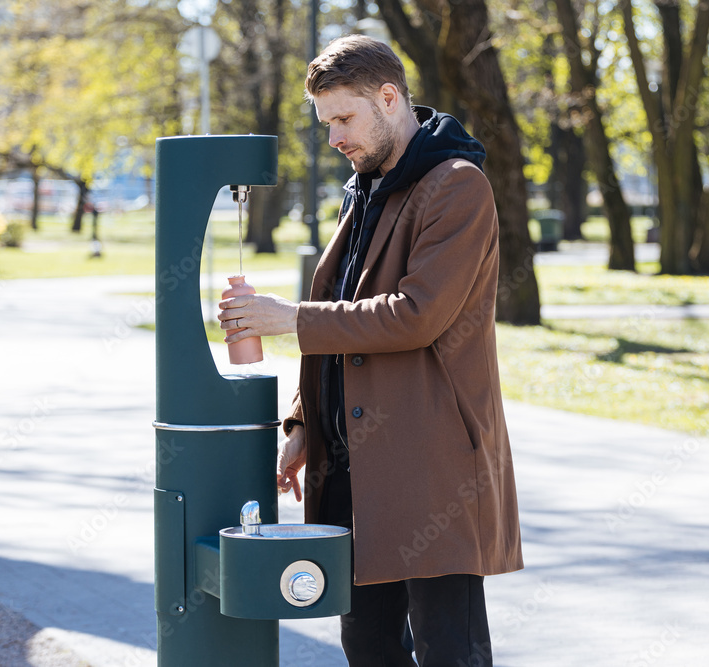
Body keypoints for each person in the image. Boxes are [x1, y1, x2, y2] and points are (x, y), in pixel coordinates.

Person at [217, 34, 523, 667]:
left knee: (450, 652)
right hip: (355, 469)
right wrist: (305, 423)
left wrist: (287, 318)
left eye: (344, 119)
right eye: (326, 123)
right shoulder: (366, 188)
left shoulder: (457, 186)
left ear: (389, 98)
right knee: (369, 648)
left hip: (431, 470)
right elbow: (349, 314)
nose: (334, 138)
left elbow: (415, 316)